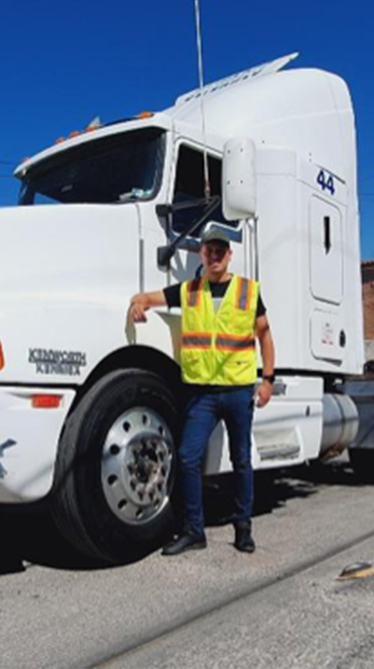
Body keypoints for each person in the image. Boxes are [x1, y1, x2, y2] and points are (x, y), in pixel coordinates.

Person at [128, 224, 276, 555]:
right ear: (201, 254)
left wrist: (267, 380)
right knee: (187, 457)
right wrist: (137, 306)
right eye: (209, 251)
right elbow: (146, 298)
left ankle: (243, 528)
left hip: (238, 391)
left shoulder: (248, 292)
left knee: (241, 461)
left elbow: (265, 335)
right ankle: (194, 530)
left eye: (220, 251)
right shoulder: (189, 291)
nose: (215, 256)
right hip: (202, 394)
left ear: (229, 255)